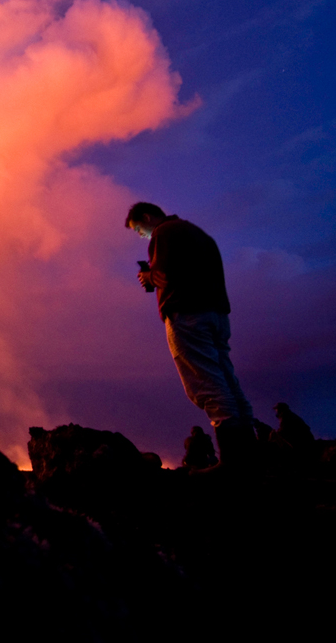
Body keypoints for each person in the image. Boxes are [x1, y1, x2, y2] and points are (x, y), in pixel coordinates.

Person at [125, 202, 257, 471]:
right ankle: (250, 455)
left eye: (139, 228)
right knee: (226, 379)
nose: (141, 235)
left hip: (187, 314)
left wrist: (148, 277)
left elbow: (161, 277)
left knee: (207, 383)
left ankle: (233, 462)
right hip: (217, 314)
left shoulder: (164, 232)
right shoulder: (196, 232)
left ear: (148, 217)